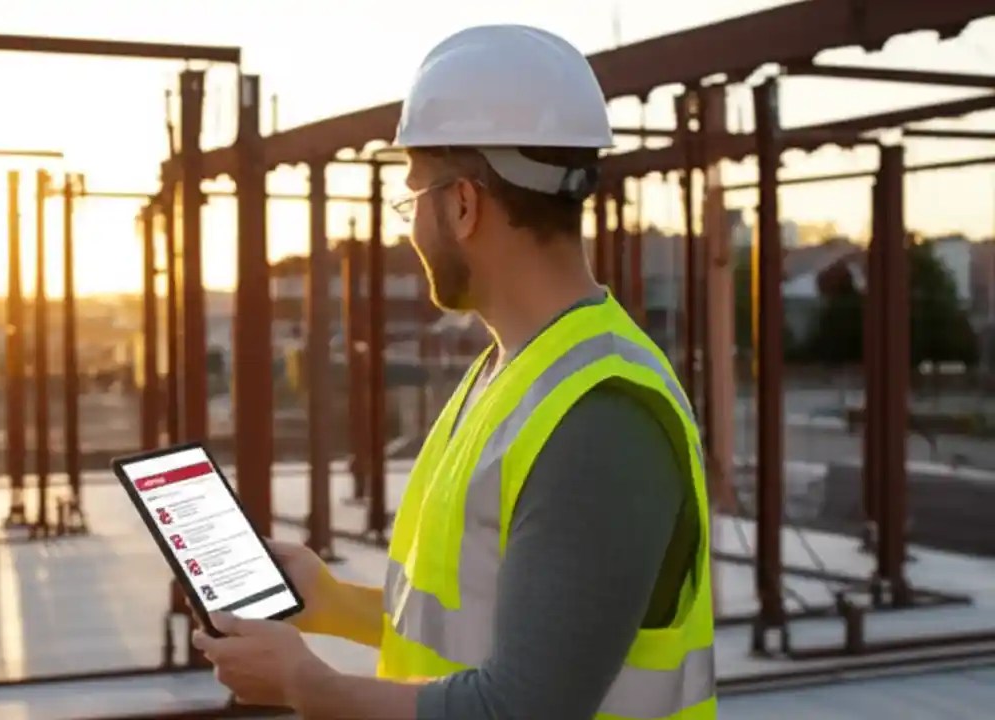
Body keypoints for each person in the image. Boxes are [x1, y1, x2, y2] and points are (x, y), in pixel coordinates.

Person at [192, 24, 717, 720]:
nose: (408, 228)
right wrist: (330, 601)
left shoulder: (602, 418)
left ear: (463, 204)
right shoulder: (508, 375)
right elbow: (489, 627)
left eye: (412, 200)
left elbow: (521, 708)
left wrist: (305, 687)